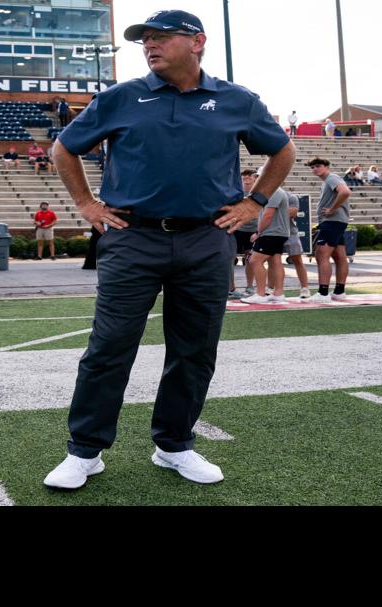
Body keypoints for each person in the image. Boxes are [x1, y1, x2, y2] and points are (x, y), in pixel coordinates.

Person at [41, 8, 293, 490]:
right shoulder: (121, 97)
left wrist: (254, 201)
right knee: (110, 345)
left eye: (160, 37)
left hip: (205, 238)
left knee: (195, 349)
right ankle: (85, 451)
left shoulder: (237, 100)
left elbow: (282, 149)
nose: (149, 46)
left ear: (196, 42)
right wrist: (86, 205)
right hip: (132, 237)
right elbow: (64, 148)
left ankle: (174, 445)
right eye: (145, 40)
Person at [243, 169, 296, 304]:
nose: (257, 179)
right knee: (275, 261)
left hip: (272, 232)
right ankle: (278, 293)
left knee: (254, 260)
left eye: (258, 176)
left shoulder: (273, 191)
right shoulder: (275, 191)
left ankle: (260, 294)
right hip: (278, 232)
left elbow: (268, 215)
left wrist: (258, 233)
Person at [305, 157, 351, 302]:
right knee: (339, 257)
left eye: (318, 166)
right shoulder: (328, 180)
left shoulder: (331, 178)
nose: (315, 169)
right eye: (312, 167)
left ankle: (323, 293)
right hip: (336, 222)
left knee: (321, 255)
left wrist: (332, 209)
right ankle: (339, 291)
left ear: (326, 166)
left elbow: (345, 192)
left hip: (332, 221)